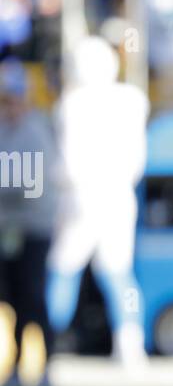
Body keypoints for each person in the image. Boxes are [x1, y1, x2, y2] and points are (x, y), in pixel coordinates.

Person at [48, 36, 149, 367]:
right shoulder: (132, 99)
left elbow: (67, 162)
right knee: (118, 273)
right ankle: (130, 344)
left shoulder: (72, 103)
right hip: (119, 196)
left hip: (82, 196)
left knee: (63, 269)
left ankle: (45, 342)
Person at [0, 58, 56, 386]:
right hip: (8, 230)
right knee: (12, 299)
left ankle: (45, 365)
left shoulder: (36, 130)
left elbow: (31, 187)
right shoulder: (4, 130)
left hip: (33, 229)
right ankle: (17, 365)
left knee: (33, 297)